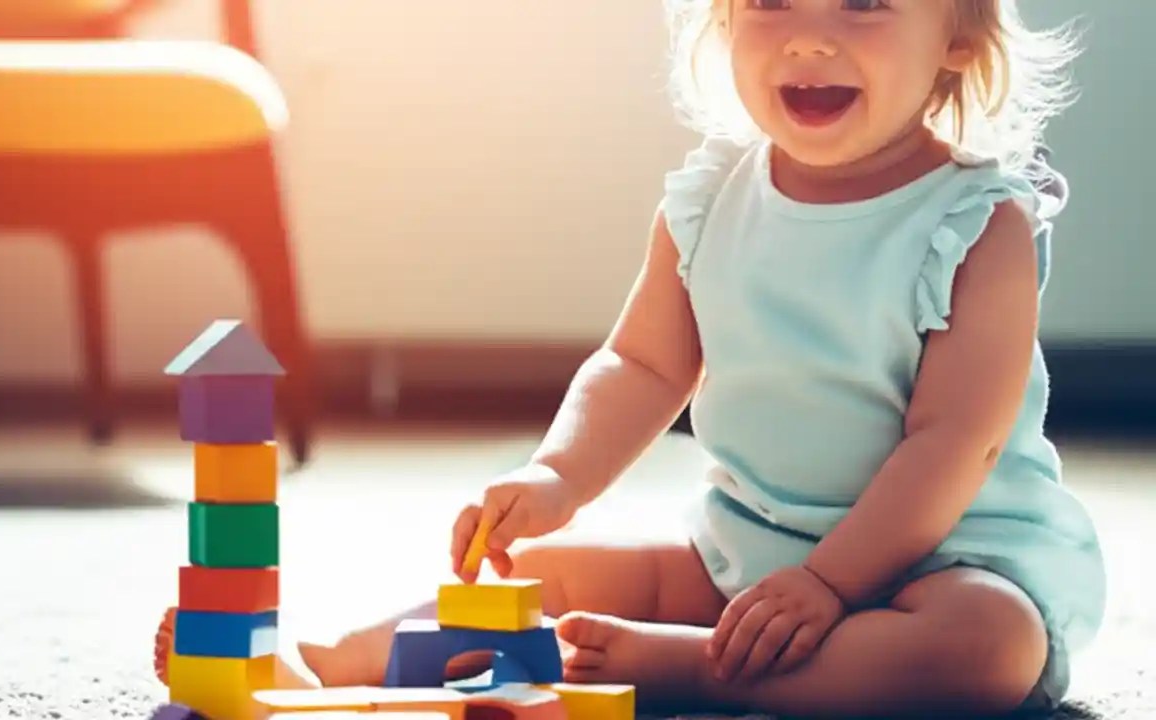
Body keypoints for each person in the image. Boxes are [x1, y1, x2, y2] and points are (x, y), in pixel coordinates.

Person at [155, 0, 1106, 716]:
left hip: (943, 558)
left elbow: (955, 442)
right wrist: (557, 473)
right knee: (543, 573)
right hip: (751, 547)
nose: (809, 38)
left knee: (984, 650)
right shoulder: (710, 198)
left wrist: (828, 584)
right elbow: (643, 365)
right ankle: (336, 662)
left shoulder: (978, 222)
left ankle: (695, 669)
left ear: (959, 36)